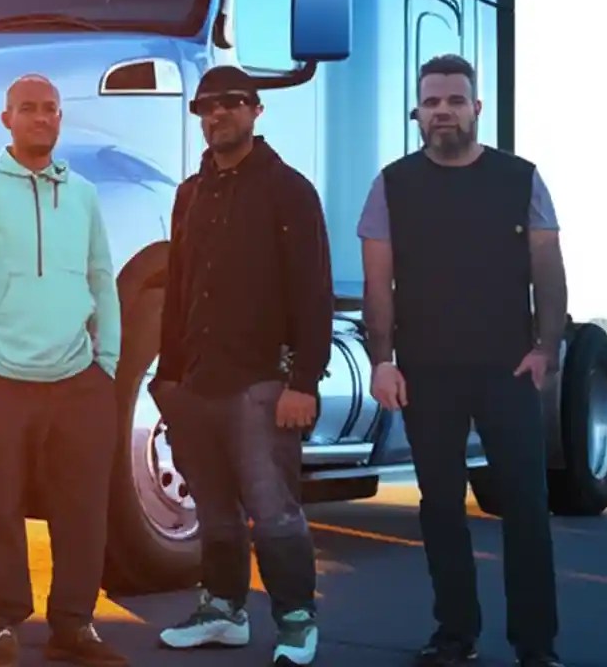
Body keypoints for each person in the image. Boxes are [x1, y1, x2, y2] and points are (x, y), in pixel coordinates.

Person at [358, 54, 566, 667]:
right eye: (431, 101)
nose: (442, 110)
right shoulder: (391, 184)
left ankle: (536, 645)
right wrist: (382, 361)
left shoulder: (520, 177)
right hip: (426, 372)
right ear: (417, 113)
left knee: (526, 506)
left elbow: (547, 269)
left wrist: (545, 348)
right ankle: (455, 636)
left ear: (477, 108)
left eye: (454, 100)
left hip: (507, 369)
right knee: (441, 508)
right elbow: (377, 284)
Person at [150, 65, 332, 667]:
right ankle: (223, 612)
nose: (216, 115)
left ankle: (297, 623)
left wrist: (303, 381)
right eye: (206, 107)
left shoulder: (289, 190)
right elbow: (180, 290)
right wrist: (167, 379)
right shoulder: (190, 195)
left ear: (256, 111)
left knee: (273, 508)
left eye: (229, 104)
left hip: (260, 383)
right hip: (195, 385)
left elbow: (313, 291)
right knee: (216, 510)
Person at [0, 74, 127, 667]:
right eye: (28, 109)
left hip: (78, 378)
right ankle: (2, 625)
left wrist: (108, 360)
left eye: (50, 109)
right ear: (8, 120)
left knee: (82, 509)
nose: (41, 118)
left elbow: (103, 274)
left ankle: (73, 624)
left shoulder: (84, 195)